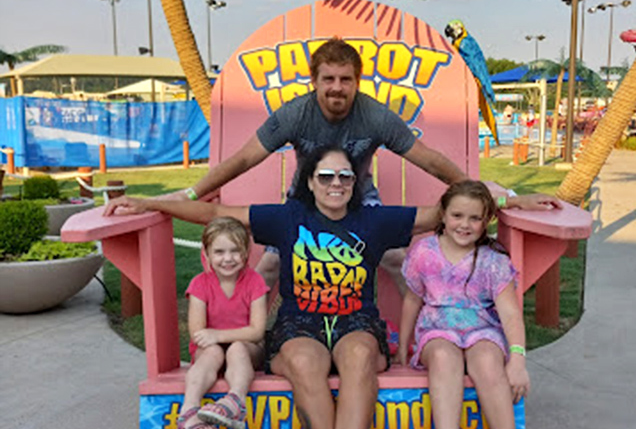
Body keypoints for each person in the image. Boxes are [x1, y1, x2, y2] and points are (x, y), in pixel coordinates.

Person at [106, 146, 457, 429]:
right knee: (305, 364)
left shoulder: (374, 220)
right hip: (300, 324)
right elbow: (211, 212)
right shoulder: (287, 217)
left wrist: (511, 199)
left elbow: (447, 212)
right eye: (325, 177)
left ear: (356, 184)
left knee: (361, 358)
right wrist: (145, 202)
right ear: (309, 182)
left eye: (345, 178)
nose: (335, 185)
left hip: (356, 322)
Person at [104, 39, 561, 293]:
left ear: (356, 82)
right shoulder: (295, 114)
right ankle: (266, 342)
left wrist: (503, 198)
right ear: (314, 81)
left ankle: (421, 339)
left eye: (346, 79)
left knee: (400, 260)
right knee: (268, 268)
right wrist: (188, 195)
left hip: (361, 196)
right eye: (329, 79)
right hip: (305, 199)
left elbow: (433, 162)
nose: (337, 88)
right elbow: (243, 158)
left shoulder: (375, 114)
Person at [398, 180, 529, 429]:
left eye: (474, 218)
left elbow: (510, 314)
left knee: (487, 360)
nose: (464, 224)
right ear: (443, 214)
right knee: (443, 356)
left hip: (482, 328)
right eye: (457, 215)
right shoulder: (424, 252)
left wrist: (517, 359)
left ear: (486, 220)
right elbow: (413, 298)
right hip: (436, 329)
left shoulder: (492, 260)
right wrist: (403, 346)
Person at [175, 217, 268, 429]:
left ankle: (235, 401)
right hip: (210, 352)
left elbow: (257, 332)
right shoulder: (200, 284)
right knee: (213, 352)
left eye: (235, 251)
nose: (228, 259)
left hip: (247, 350)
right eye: (219, 252)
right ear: (206, 255)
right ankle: (189, 411)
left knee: (236, 348)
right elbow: (198, 333)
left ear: (246, 252)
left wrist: (219, 335)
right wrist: (214, 340)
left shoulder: (254, 282)